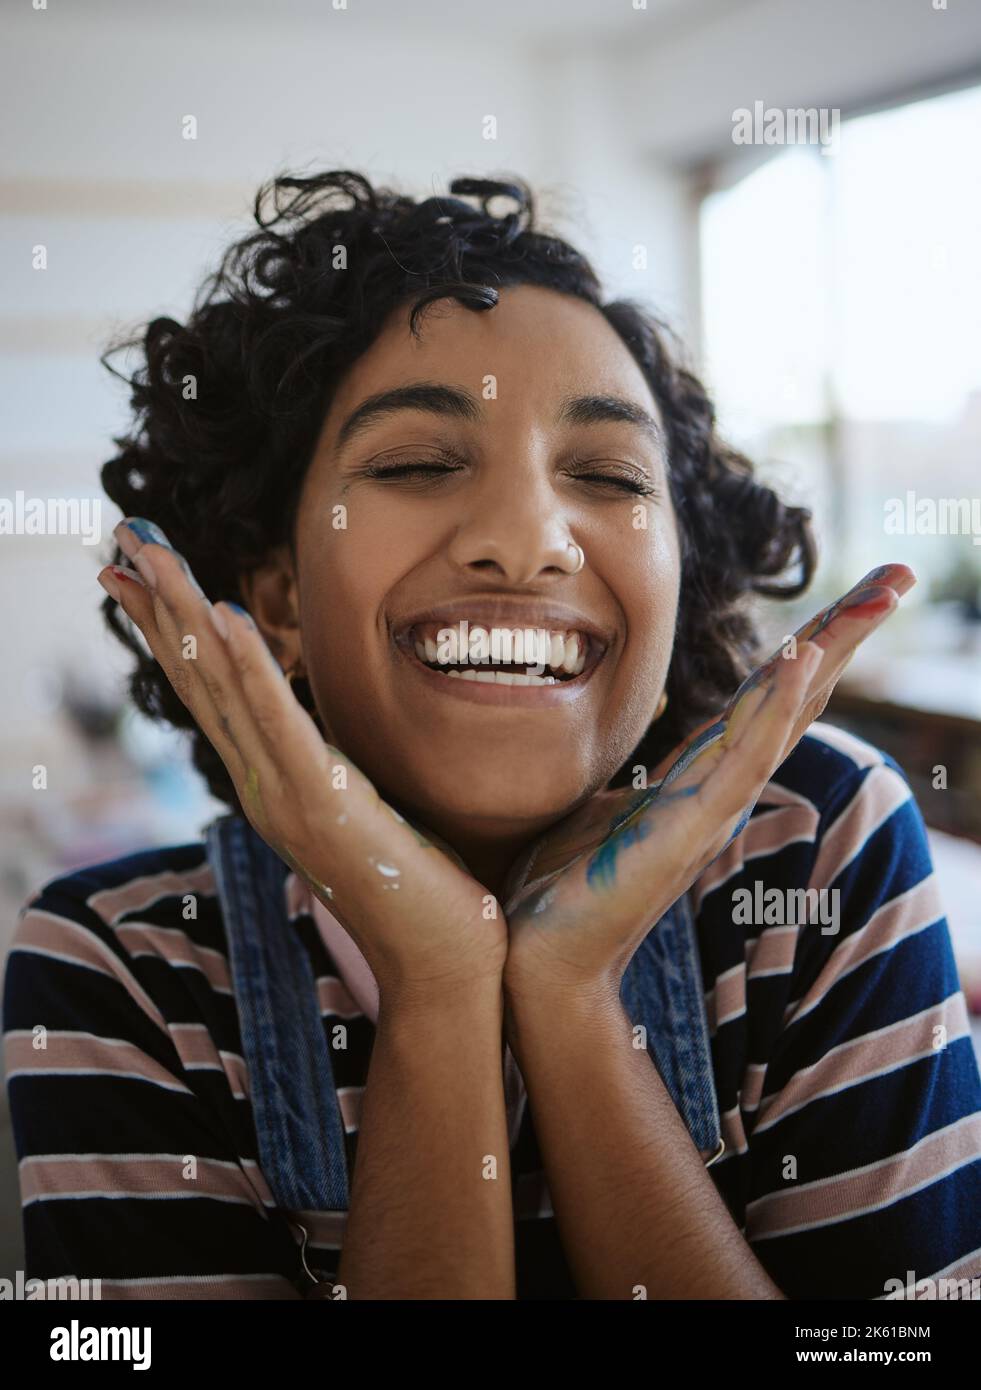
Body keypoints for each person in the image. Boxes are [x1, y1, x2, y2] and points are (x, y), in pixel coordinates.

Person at [4, 171, 980, 1301]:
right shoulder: (117, 969)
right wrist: (439, 981)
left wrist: (567, 993)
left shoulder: (818, 844)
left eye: (608, 474)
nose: (527, 540)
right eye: (417, 464)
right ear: (275, 600)